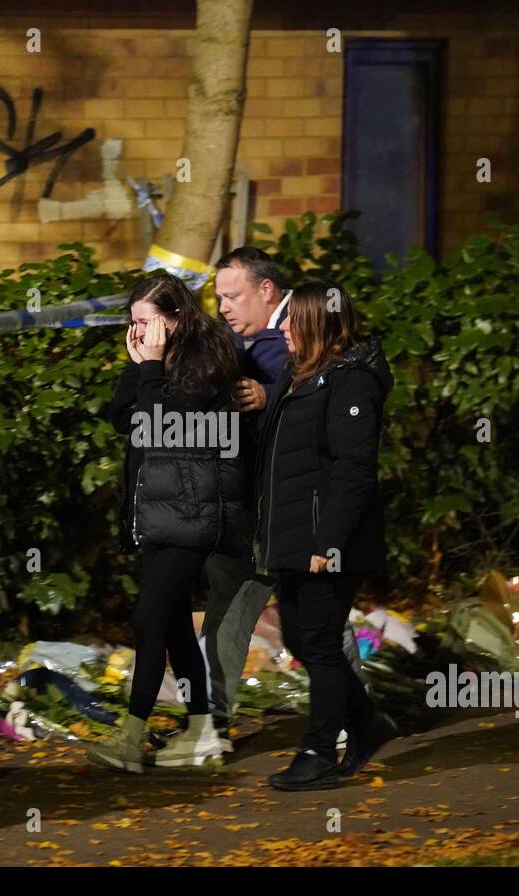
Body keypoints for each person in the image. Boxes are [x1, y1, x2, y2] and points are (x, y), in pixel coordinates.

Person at [87, 273, 244, 772]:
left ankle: (131, 740)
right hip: (157, 511)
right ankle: (201, 731)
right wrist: (138, 366)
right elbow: (122, 418)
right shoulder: (158, 360)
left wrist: (151, 367)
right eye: (132, 323)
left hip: (192, 511)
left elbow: (159, 427)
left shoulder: (206, 359)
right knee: (173, 624)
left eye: (146, 322)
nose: (137, 332)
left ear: (176, 316)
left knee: (148, 618)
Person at [254, 280, 397, 791]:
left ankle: (318, 752)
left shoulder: (351, 381)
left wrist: (328, 542)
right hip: (295, 535)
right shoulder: (302, 375)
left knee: (318, 642)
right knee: (300, 637)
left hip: (327, 541)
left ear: (318, 322)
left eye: (292, 319)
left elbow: (354, 469)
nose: (283, 328)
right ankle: (367, 722)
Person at [198, 247, 290, 748]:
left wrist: (271, 398)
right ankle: (210, 722)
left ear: (266, 289)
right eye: (219, 298)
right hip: (243, 503)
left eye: (232, 296)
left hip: (291, 505)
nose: (224, 307)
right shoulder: (232, 339)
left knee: (309, 613)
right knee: (228, 603)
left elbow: (337, 402)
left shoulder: (309, 326)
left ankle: (351, 712)